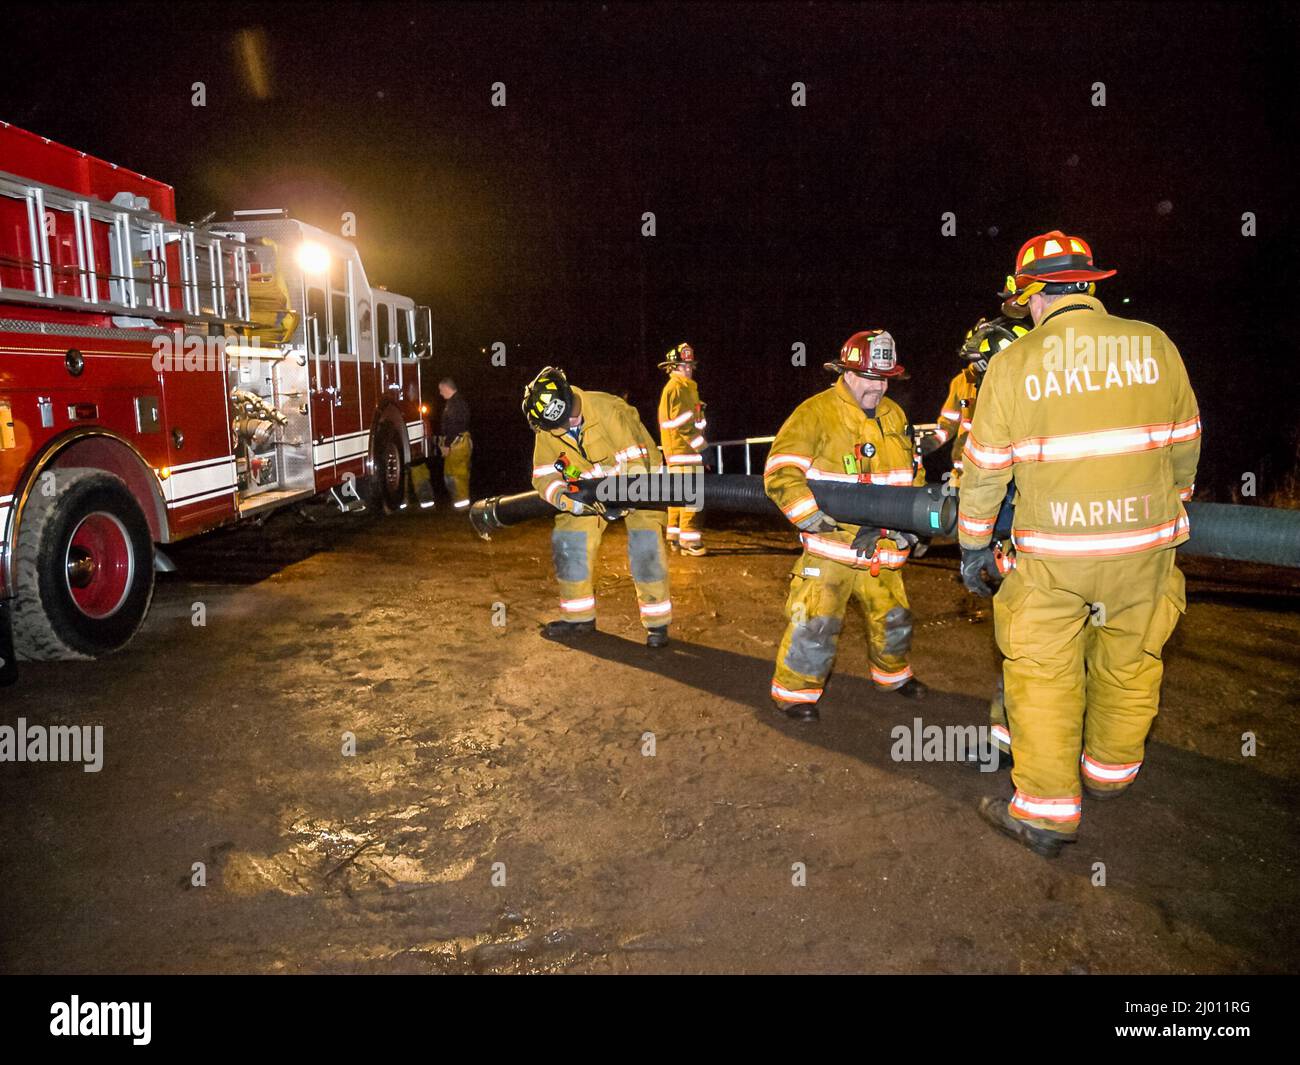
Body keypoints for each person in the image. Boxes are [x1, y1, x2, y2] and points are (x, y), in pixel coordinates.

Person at [958, 230, 1201, 857]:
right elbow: (1185, 444)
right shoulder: (1155, 345)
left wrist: (974, 547)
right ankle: (1109, 774)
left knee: (1042, 672)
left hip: (1055, 557)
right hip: (1144, 551)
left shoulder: (1013, 365)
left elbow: (985, 471)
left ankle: (1045, 814)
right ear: (1090, 284)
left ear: (1034, 294)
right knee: (1132, 659)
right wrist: (1165, 505)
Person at [764, 330, 929, 720]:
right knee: (815, 623)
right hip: (832, 548)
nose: (878, 388)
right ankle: (796, 694)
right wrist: (809, 517)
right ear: (847, 372)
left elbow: (912, 473)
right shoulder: (815, 413)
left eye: (884, 378)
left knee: (894, 618)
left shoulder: (895, 415)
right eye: (870, 378)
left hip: (885, 546)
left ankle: (894, 676)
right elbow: (780, 470)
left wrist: (917, 522)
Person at [523, 366, 673, 648]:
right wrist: (567, 501)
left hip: (642, 483)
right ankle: (578, 619)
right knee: (569, 539)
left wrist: (622, 502)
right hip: (592, 492)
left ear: (569, 394)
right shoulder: (547, 428)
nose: (569, 424)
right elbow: (544, 476)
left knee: (645, 545)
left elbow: (636, 468)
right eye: (561, 424)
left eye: (571, 415)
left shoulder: (608, 408)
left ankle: (657, 624)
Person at [922, 318, 1031, 489]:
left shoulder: (1012, 381)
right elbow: (948, 422)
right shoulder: (961, 382)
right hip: (961, 475)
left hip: (1001, 474)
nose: (975, 364)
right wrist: (930, 443)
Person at [657, 342, 708, 555]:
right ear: (672, 367)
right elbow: (683, 424)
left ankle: (675, 538)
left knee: (678, 496)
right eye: (683, 366)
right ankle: (690, 542)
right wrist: (703, 447)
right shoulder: (678, 388)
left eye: (690, 365)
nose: (688, 369)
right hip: (685, 451)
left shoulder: (685, 388)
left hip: (678, 451)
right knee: (691, 497)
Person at [438, 378, 472, 511]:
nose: (440, 393)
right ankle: (459, 504)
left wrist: (446, 445)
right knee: (453, 475)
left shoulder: (455, 404)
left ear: (447, 388)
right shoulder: (455, 402)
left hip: (457, 443)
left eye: (441, 390)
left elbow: (454, 426)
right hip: (457, 442)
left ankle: (462, 507)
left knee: (457, 476)